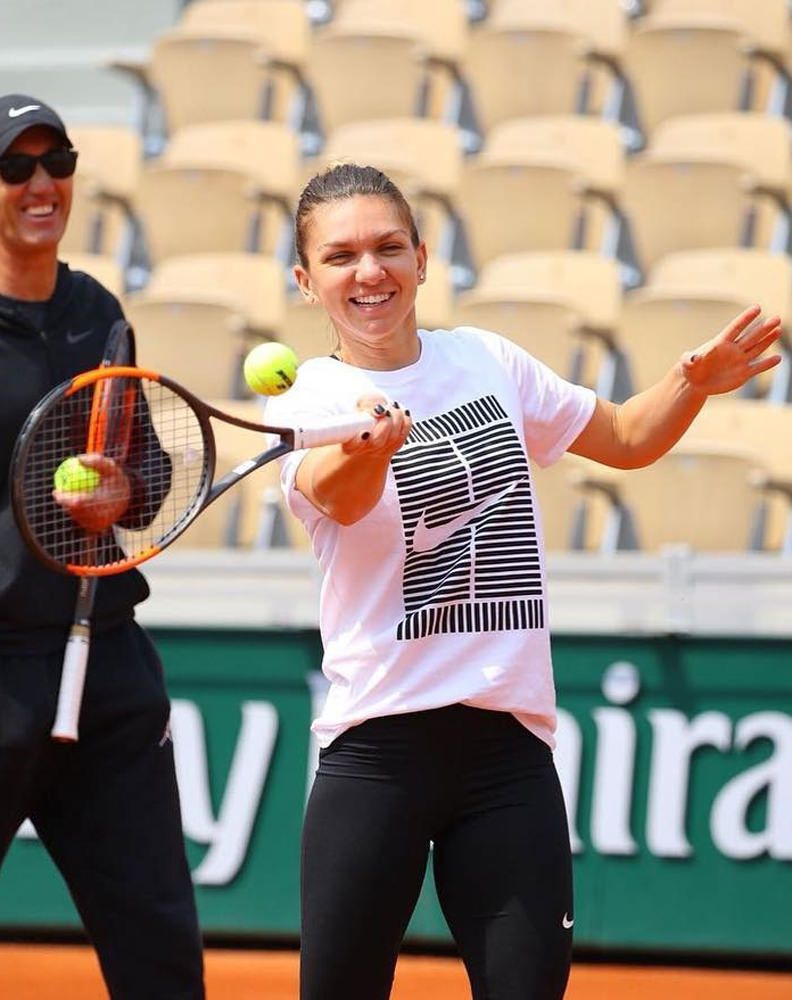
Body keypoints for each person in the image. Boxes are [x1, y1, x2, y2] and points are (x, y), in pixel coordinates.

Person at [264, 163, 782, 1000]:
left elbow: (621, 436)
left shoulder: (486, 359)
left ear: (424, 258)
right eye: (342, 256)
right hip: (376, 752)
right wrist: (374, 450)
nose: (370, 272)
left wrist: (690, 381)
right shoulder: (311, 398)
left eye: (390, 247)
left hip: (508, 749)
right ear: (306, 279)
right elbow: (335, 498)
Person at [0, 94, 205, 998]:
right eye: (16, 168)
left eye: (57, 162)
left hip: (108, 665)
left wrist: (123, 492)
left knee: (160, 948)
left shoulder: (99, 312)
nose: (41, 184)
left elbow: (147, 474)